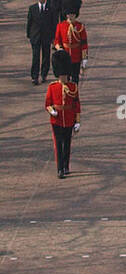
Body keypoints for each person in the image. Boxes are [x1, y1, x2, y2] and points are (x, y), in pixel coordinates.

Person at [45, 48, 80, 178]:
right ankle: (60, 168)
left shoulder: (73, 87)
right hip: (57, 119)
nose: (63, 77)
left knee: (67, 144)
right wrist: (52, 111)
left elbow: (76, 104)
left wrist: (78, 121)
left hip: (69, 118)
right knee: (58, 144)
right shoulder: (52, 87)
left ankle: (66, 166)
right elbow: (48, 103)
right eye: (62, 75)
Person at [52, 0, 88, 83]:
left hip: (76, 56)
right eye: (69, 14)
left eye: (72, 14)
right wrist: (59, 49)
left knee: (75, 78)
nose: (71, 16)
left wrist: (84, 58)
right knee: (65, 79)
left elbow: (84, 44)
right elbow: (57, 41)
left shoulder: (80, 27)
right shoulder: (61, 26)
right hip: (65, 56)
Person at [27, 0, 56, 84]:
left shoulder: (51, 9)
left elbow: (53, 24)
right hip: (35, 36)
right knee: (35, 57)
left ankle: (44, 75)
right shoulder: (32, 8)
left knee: (46, 56)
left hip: (46, 36)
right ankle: (34, 76)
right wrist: (29, 35)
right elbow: (29, 23)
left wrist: (53, 37)